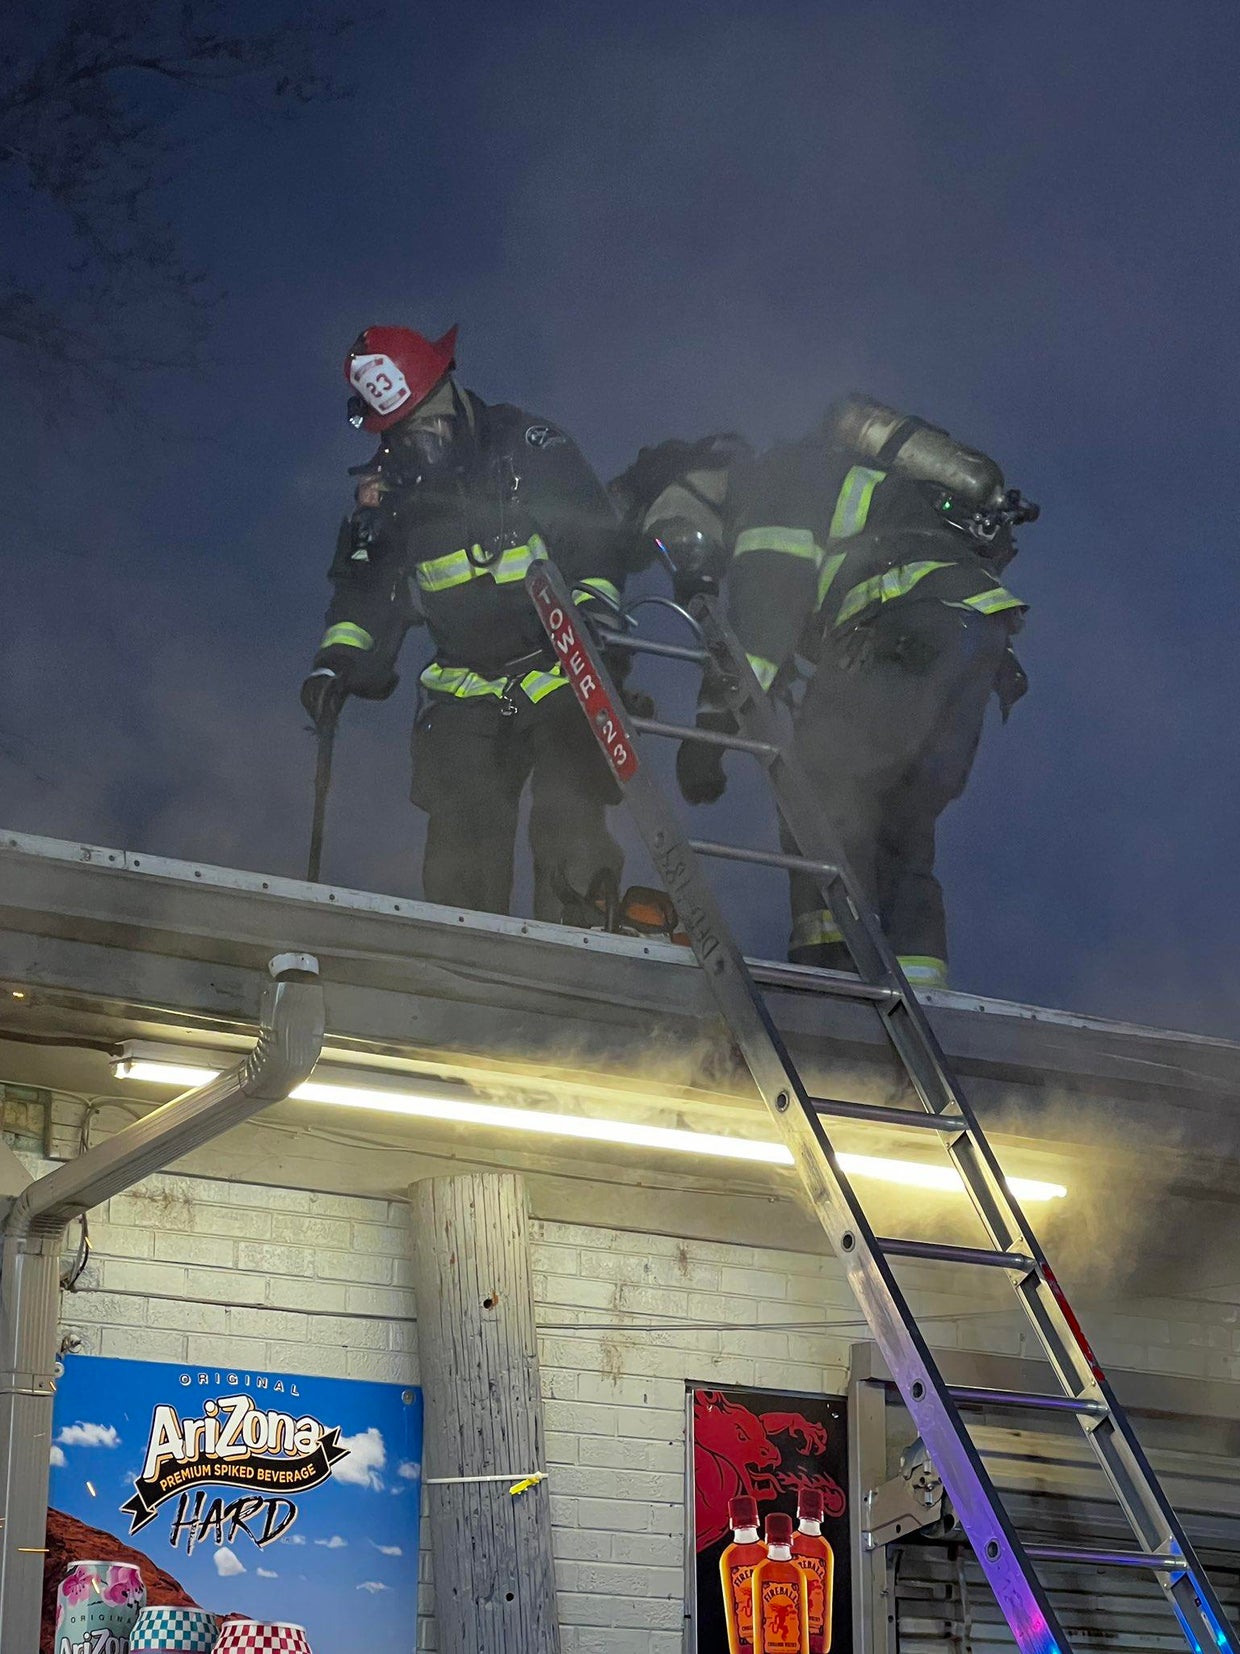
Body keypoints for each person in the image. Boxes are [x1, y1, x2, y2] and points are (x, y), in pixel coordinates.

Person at [618, 398, 1034, 989]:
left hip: (896, 628)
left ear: (704, 489)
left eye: (675, 534)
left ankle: (833, 978)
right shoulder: (838, 477)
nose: (686, 554)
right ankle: (923, 993)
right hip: (974, 639)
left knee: (818, 796)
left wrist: (710, 735)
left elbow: (764, 622)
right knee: (901, 823)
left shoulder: (777, 484)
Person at [299, 323, 627, 920]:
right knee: (463, 833)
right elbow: (367, 595)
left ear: (448, 388)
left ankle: (580, 949)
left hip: (561, 671)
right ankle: (471, 970)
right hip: (464, 687)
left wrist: (594, 619)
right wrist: (337, 660)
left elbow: (593, 536)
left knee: (568, 812)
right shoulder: (391, 498)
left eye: (429, 416)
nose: (421, 437)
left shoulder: (526, 446)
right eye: (404, 427)